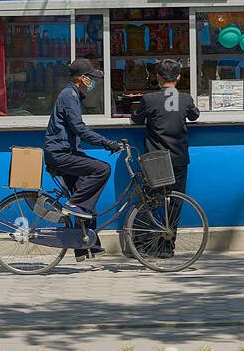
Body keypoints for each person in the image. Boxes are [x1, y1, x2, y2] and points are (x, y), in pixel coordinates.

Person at [43, 58, 122, 259]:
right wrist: (106, 143)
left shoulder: (74, 95)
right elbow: (79, 128)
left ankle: (86, 245)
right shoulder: (69, 95)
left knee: (86, 200)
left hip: (67, 152)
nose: (93, 82)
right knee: (102, 169)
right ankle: (72, 206)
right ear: (83, 78)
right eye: (91, 78)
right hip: (60, 154)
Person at [130, 59, 200, 257]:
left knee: (149, 200)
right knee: (175, 202)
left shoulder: (149, 99)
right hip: (178, 157)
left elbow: (136, 119)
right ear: (178, 77)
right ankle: (167, 247)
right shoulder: (185, 99)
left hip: (156, 158)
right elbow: (195, 116)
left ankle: (142, 246)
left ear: (157, 77)